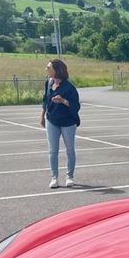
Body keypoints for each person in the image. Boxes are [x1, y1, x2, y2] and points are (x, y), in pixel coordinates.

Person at [40, 59, 81, 188]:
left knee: (70, 150)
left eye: (48, 67)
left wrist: (63, 101)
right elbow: (45, 101)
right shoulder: (48, 83)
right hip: (51, 120)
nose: (46, 69)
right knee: (53, 151)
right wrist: (42, 116)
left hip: (68, 122)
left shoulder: (69, 87)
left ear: (56, 70)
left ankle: (69, 177)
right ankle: (54, 178)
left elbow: (76, 106)